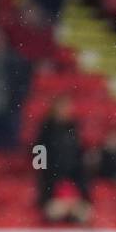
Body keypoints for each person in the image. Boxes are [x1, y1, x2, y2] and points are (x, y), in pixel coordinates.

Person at [35, 94, 92, 223]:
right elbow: (38, 154)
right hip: (51, 181)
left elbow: (79, 154)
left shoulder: (73, 128)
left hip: (73, 180)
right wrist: (45, 173)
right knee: (53, 213)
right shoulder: (46, 129)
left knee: (84, 214)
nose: (65, 110)